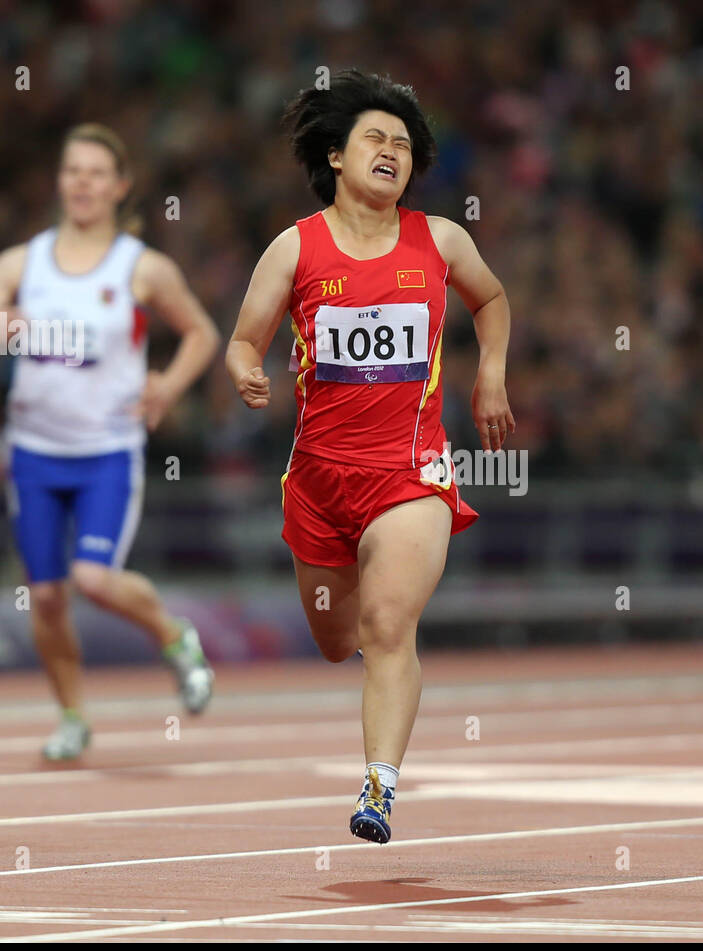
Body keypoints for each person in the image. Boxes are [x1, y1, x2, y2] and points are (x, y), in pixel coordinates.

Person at [226, 70, 514, 842]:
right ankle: (371, 666)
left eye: (402, 144)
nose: (391, 152)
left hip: (410, 471)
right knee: (336, 640)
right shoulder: (294, 248)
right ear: (336, 155)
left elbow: (491, 299)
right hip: (318, 479)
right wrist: (246, 369)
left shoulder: (441, 239)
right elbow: (244, 338)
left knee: (389, 626)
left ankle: (379, 788)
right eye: (374, 139)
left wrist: (490, 373)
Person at [0, 123, 220, 760]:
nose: (83, 183)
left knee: (92, 579)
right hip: (34, 451)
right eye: (73, 171)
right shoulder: (21, 263)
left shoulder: (141, 268)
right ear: (59, 181)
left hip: (106, 450)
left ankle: (174, 636)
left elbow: (201, 332)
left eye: (96, 173)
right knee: (44, 594)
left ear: (120, 187)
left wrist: (168, 387)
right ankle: (72, 717)